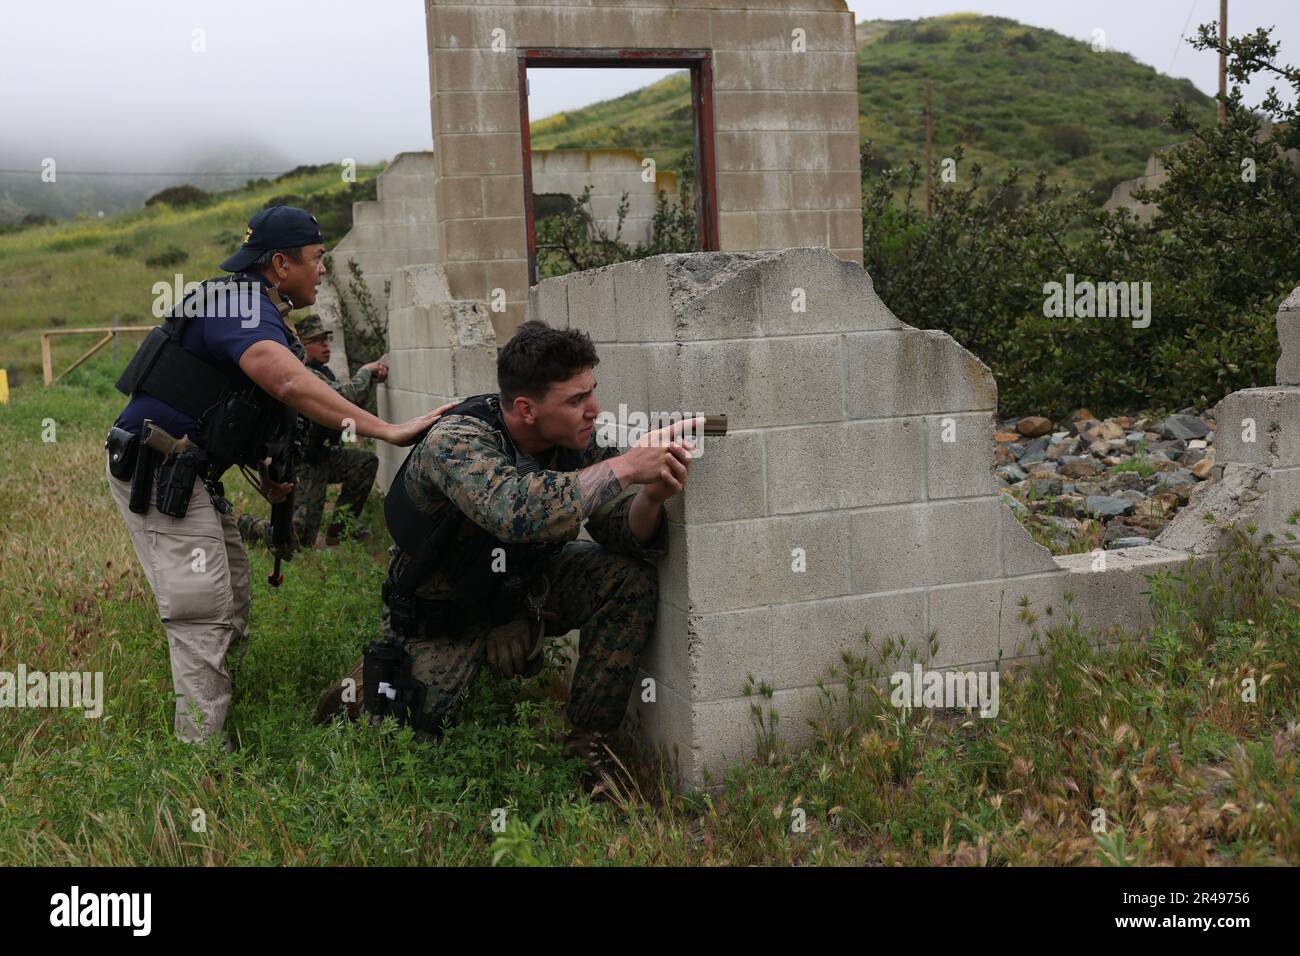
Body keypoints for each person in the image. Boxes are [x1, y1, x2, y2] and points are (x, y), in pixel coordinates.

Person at [105, 204, 448, 745]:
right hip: (156, 470)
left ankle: (215, 698)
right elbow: (286, 382)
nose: (322, 271)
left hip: (189, 470)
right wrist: (385, 430)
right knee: (203, 609)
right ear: (280, 263)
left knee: (233, 591)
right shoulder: (239, 309)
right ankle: (198, 758)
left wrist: (263, 469)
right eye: (316, 259)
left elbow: (233, 409)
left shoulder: (252, 305)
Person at [317, 320, 699, 795]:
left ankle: (587, 747)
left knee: (626, 579)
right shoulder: (457, 439)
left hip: (520, 591)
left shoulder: (575, 444)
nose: (594, 411)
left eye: (592, 393)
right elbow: (514, 511)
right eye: (576, 400)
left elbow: (618, 529)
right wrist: (625, 467)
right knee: (399, 755)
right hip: (446, 615)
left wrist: (652, 496)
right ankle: (360, 690)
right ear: (526, 408)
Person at [237, 315, 385, 550]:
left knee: (364, 463)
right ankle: (247, 526)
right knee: (298, 539)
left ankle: (342, 530)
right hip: (304, 463)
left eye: (327, 340)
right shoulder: (305, 374)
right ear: (303, 344)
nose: (326, 346)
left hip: (324, 455)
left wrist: (370, 380)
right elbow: (344, 397)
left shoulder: (322, 372)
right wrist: (366, 372)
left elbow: (347, 412)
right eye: (319, 341)